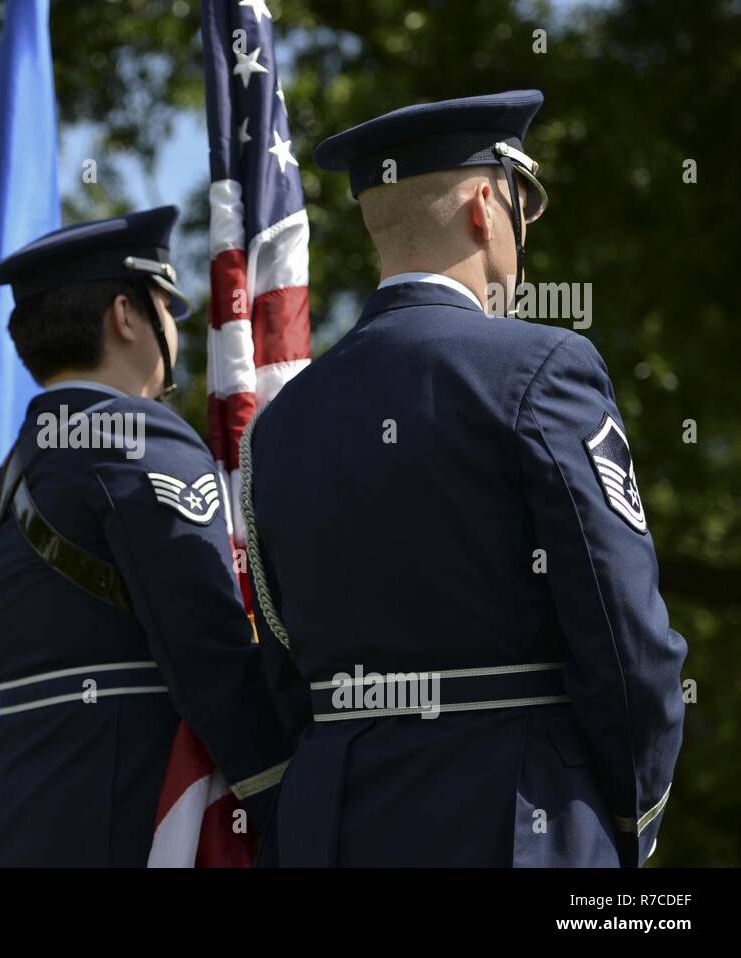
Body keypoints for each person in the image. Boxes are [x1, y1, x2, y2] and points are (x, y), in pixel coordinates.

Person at [242, 90, 687, 866]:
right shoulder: (546, 368)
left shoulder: (280, 424)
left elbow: (283, 663)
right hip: (516, 816)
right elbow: (626, 639)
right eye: (525, 207)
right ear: (486, 206)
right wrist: (633, 814)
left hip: (333, 821)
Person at [0, 206, 302, 865]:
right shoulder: (138, 440)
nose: (174, 326)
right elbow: (210, 652)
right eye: (167, 307)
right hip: (131, 826)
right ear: (125, 315)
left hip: (17, 826)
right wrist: (285, 800)